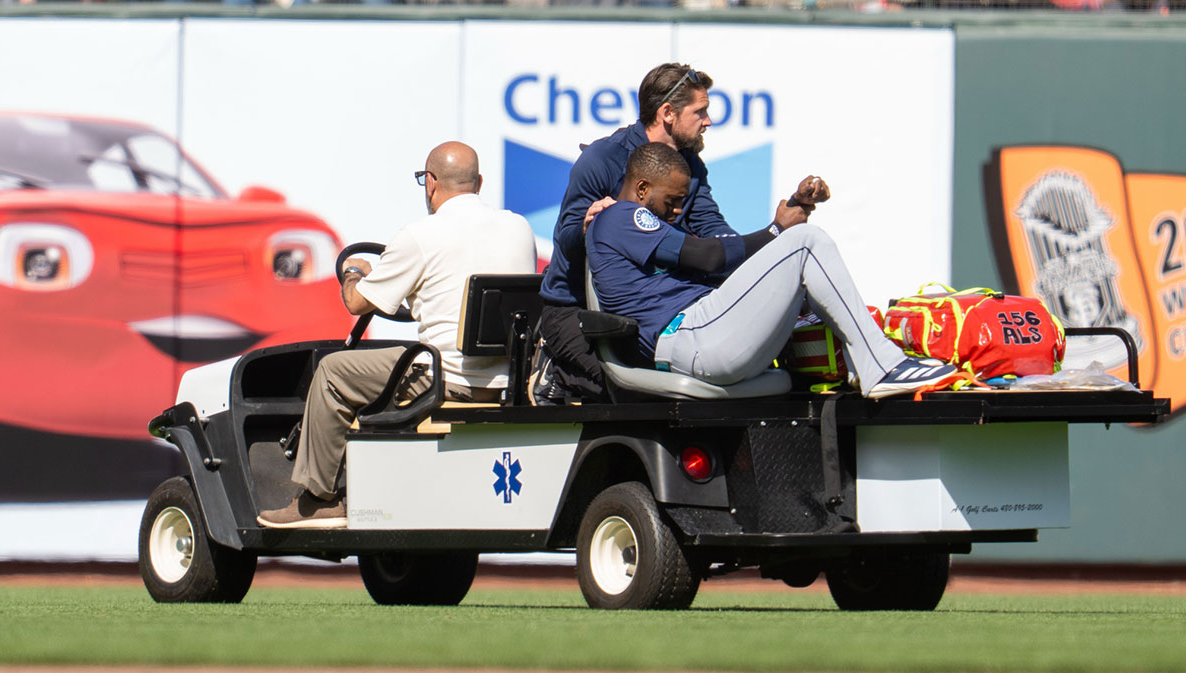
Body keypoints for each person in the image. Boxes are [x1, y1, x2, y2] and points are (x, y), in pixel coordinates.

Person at [258, 141, 536, 529]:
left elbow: (357, 304)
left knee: (332, 372)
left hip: (445, 379)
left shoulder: (420, 236)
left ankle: (319, 498)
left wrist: (355, 272)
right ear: (480, 183)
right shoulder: (519, 228)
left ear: (431, 184)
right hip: (505, 381)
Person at [534, 62, 824, 404]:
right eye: (700, 111)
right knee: (634, 395)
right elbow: (564, 239)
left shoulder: (690, 166)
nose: (709, 121)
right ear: (668, 113)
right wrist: (585, 228)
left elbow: (715, 234)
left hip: (646, 309)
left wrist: (762, 249)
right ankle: (559, 368)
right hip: (576, 310)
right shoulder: (602, 158)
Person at [586, 142, 958, 399]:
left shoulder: (646, 229)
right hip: (689, 338)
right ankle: (881, 367)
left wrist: (783, 225)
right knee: (806, 241)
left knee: (799, 257)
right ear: (641, 187)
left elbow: (728, 268)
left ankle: (865, 362)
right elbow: (708, 258)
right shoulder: (619, 216)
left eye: (682, 203)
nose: (678, 211)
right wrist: (777, 233)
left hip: (706, 339)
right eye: (672, 201)